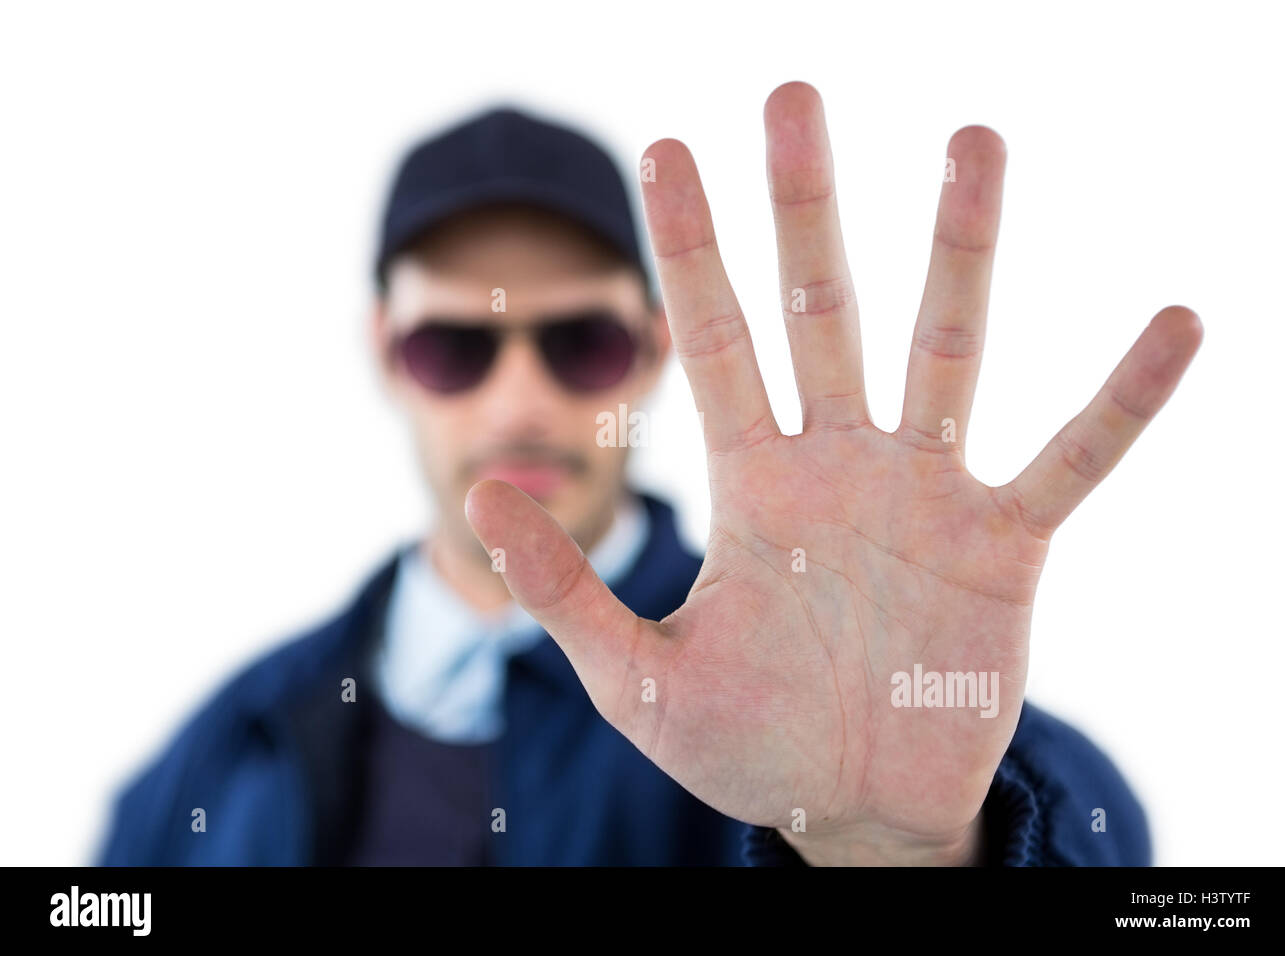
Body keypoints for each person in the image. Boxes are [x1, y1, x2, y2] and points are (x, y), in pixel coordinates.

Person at [97, 81, 1199, 866]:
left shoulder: (839, 679)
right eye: (457, 346)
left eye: (580, 343)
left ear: (656, 347)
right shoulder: (231, 743)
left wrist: (906, 855)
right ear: (388, 349)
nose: (520, 399)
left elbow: (1100, 837)